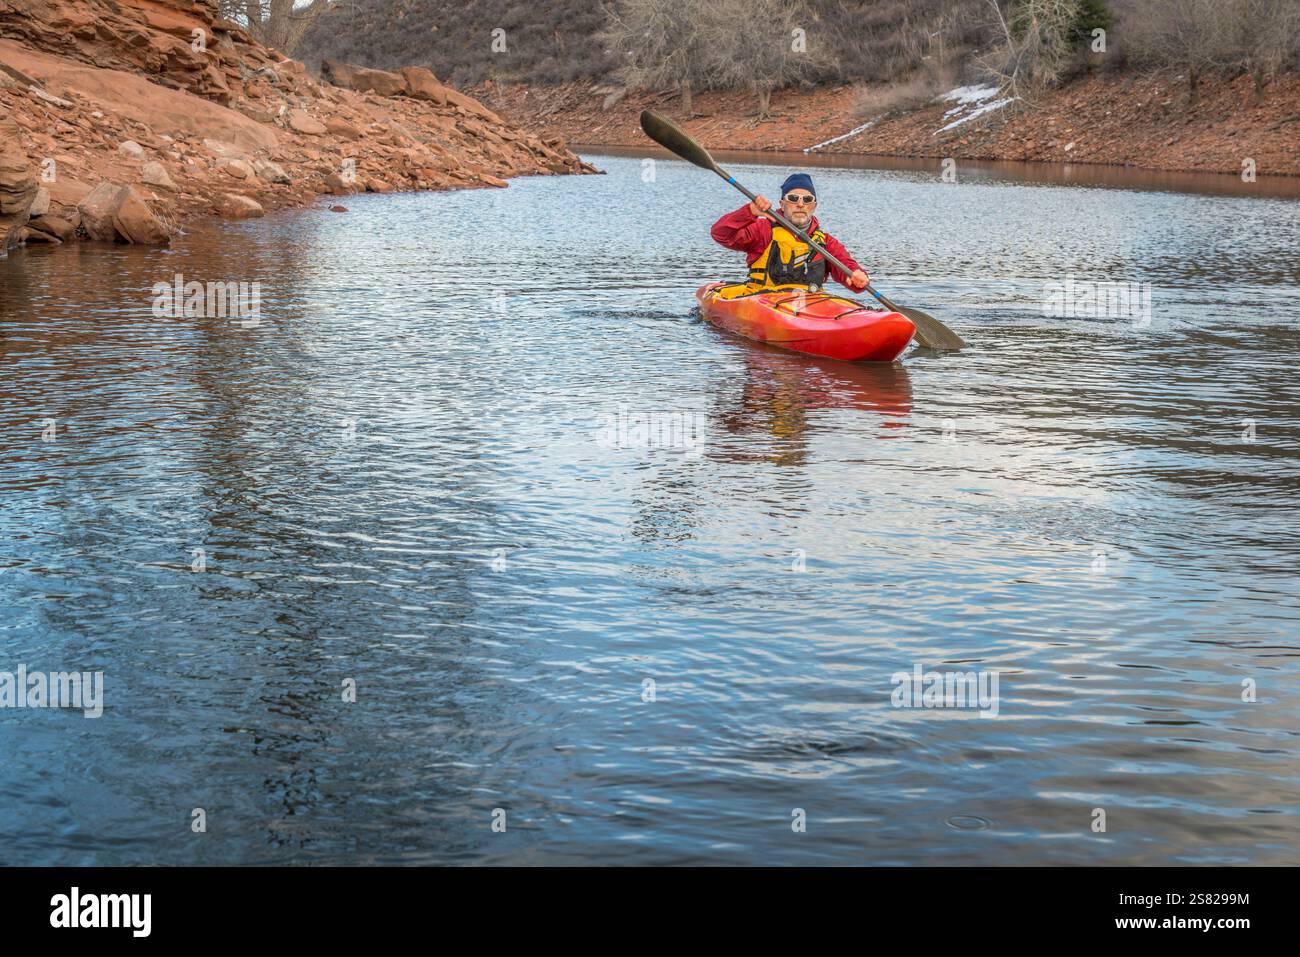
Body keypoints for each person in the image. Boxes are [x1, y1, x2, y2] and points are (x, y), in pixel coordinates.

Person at [710, 173, 870, 294]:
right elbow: (720, 234)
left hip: (809, 305)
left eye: (807, 200)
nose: (800, 204)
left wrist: (856, 276)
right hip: (763, 299)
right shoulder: (762, 230)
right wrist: (749, 212)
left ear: (813, 206)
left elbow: (847, 266)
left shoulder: (826, 242)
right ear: (782, 204)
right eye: (793, 198)